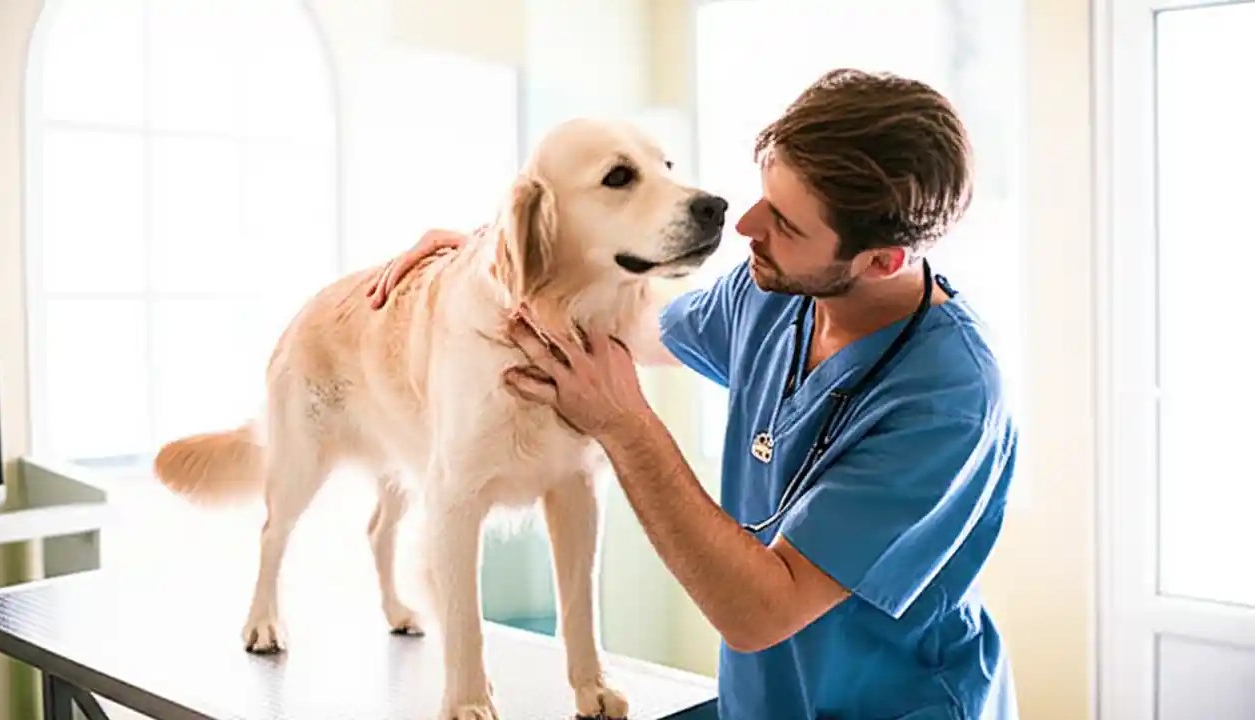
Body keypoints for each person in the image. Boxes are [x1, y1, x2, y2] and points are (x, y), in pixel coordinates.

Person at [366, 69, 1018, 720]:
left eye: (785, 223)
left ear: (881, 262)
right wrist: (501, 252)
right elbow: (643, 328)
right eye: (764, 196)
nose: (747, 226)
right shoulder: (773, 293)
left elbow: (758, 612)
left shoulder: (946, 399)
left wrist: (625, 427)